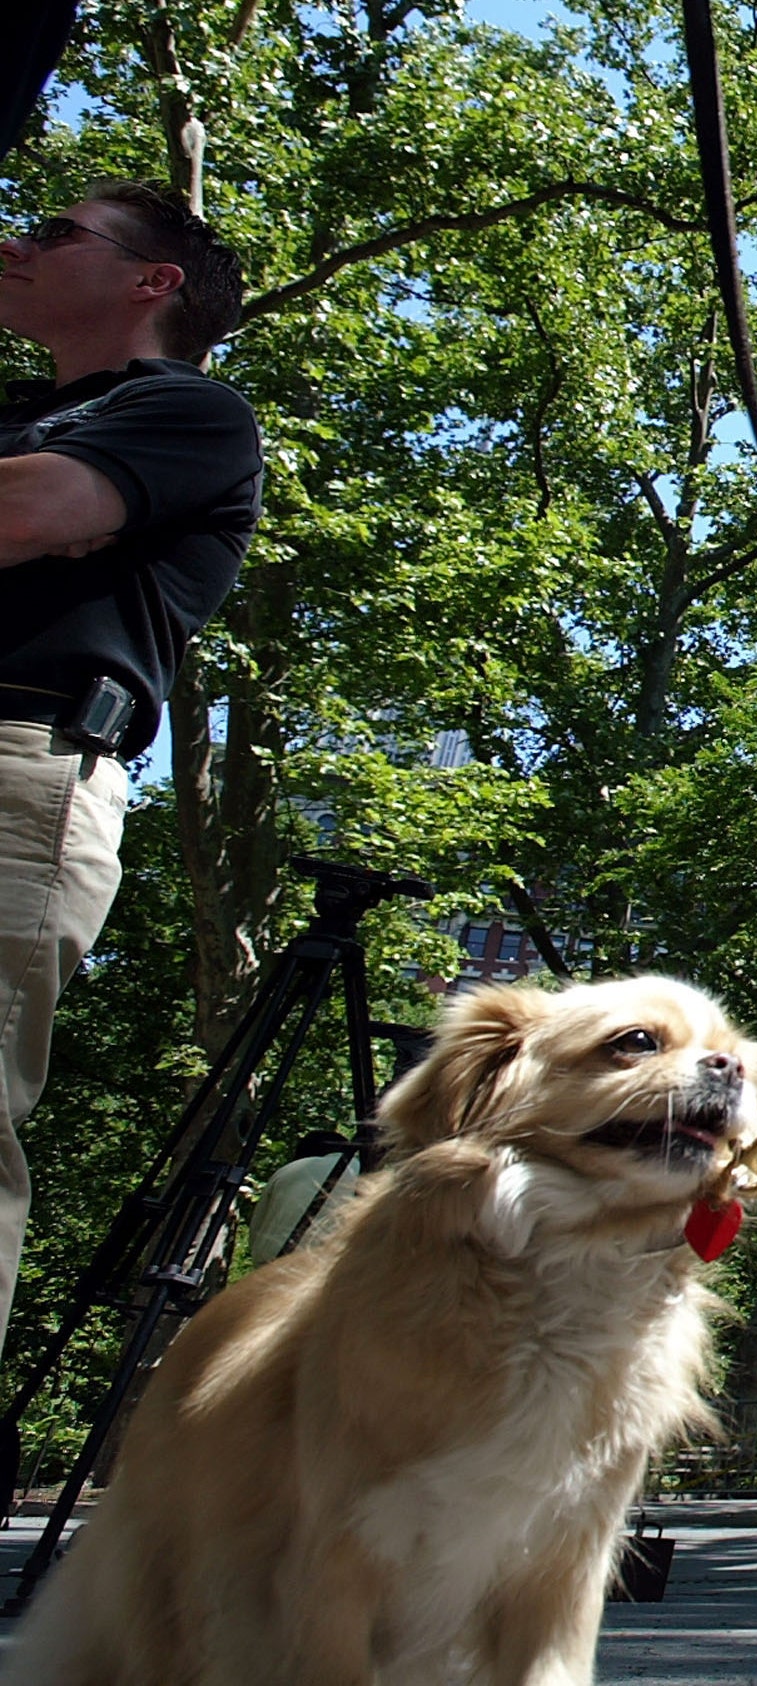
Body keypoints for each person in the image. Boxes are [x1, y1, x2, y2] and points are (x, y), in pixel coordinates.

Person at [0, 181, 257, 1340]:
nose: (17, 243)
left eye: (55, 232)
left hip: (21, 756)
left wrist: (46, 504)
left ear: (154, 283)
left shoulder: (189, 414)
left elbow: (32, 511)